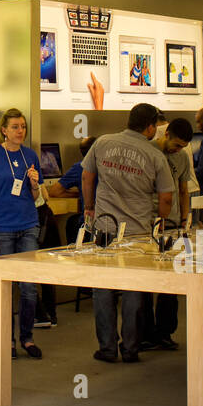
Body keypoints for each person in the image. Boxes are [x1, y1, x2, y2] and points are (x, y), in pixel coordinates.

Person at [81, 103, 173, 363]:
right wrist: (161, 221)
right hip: (138, 232)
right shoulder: (155, 155)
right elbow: (166, 196)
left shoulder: (102, 143)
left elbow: (87, 177)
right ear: (150, 127)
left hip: (104, 229)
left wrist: (89, 207)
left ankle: (107, 348)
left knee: (103, 288)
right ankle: (131, 348)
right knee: (134, 290)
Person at [0, 108, 44, 359]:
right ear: (4, 130)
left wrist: (35, 184)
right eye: (15, 126)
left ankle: (27, 337)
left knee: (28, 287)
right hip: (1, 228)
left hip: (28, 224)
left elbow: (35, 196)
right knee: (4, 288)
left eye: (23, 126)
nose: (20, 131)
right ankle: (7, 340)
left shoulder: (30, 155)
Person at [142, 117, 194, 351]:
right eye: (176, 144)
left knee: (170, 283)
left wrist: (184, 219)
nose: (178, 149)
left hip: (172, 224)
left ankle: (164, 332)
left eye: (183, 146)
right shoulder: (148, 151)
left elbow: (184, 189)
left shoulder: (182, 158)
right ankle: (144, 333)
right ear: (167, 134)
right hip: (148, 221)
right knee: (144, 281)